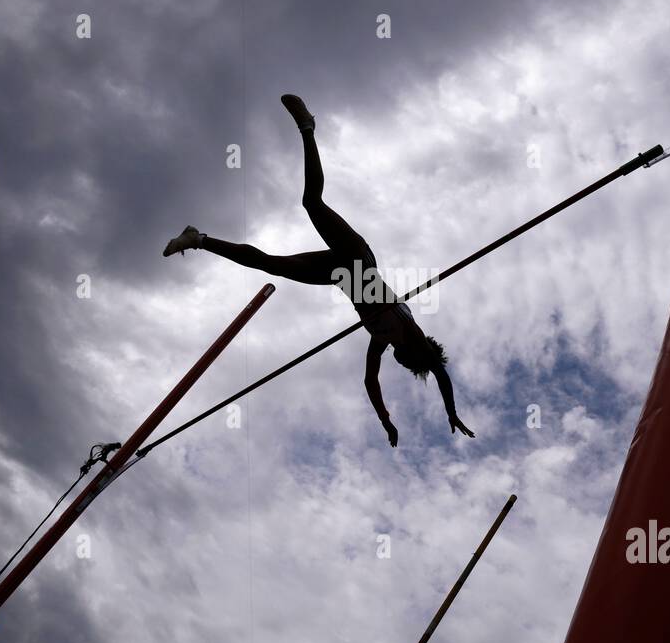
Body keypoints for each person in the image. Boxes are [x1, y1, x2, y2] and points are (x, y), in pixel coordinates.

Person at [164, 95, 475, 447]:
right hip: (357, 258)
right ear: (420, 355)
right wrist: (450, 411)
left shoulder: (380, 340)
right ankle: (307, 128)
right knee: (311, 202)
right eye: (409, 366)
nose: (400, 365)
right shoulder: (412, 335)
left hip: (336, 274)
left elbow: (370, 382)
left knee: (271, 264)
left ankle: (199, 239)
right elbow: (440, 372)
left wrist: (385, 420)